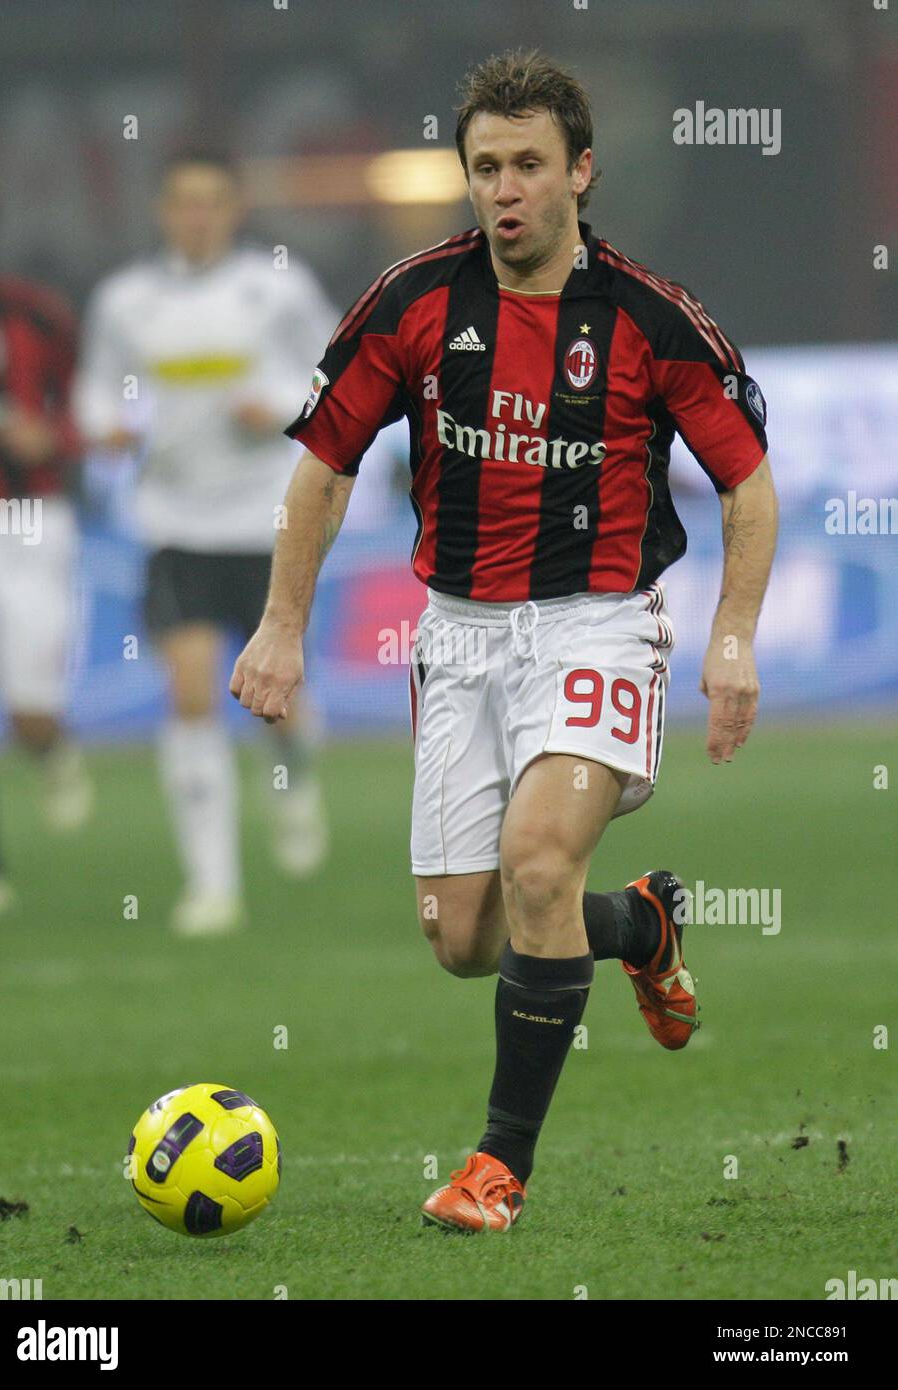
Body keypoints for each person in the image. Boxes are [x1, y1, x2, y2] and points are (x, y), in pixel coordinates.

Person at [229, 50, 778, 1230]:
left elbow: (745, 484)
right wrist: (282, 624)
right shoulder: (413, 302)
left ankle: (496, 1168)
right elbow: (323, 467)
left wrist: (730, 638)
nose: (505, 190)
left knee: (537, 862)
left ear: (580, 171)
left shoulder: (649, 319)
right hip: (460, 638)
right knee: (465, 935)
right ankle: (640, 923)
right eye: (485, 168)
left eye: (528, 165)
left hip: (598, 626)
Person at [74, 150, 337, 937]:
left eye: (212, 201)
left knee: (276, 701)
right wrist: (106, 427)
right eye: (183, 202)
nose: (197, 216)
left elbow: (340, 377)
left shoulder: (277, 289)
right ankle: (212, 885)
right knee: (191, 689)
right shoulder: (127, 300)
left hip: (268, 521)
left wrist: (283, 407)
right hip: (174, 521)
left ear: (234, 208)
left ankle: (294, 777)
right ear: (164, 210)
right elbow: (96, 387)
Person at [0, 173, 91, 926]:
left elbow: (94, 407)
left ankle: (51, 749)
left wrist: (55, 437)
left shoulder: (37, 317)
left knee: (27, 712)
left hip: (30, 524)